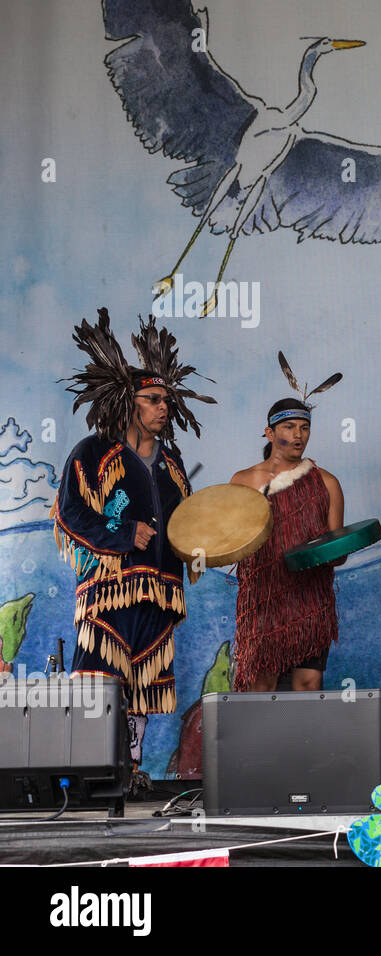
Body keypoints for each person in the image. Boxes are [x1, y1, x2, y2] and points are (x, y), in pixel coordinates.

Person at [52, 309, 215, 790]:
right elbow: (69, 513)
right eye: (153, 399)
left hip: (160, 591)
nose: (164, 407)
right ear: (129, 403)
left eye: (167, 400)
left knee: (143, 684)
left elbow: (187, 523)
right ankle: (89, 771)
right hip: (108, 590)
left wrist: (203, 550)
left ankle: (132, 769)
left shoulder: (172, 462)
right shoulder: (91, 452)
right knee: (99, 676)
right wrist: (122, 534)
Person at [229, 355, 344, 692]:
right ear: (269, 432)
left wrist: (324, 554)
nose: (299, 435)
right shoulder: (243, 481)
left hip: (311, 603)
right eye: (289, 427)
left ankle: (305, 746)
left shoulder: (327, 482)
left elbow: (338, 550)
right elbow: (229, 542)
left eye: (304, 427)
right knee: (259, 689)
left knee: (308, 687)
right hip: (262, 604)